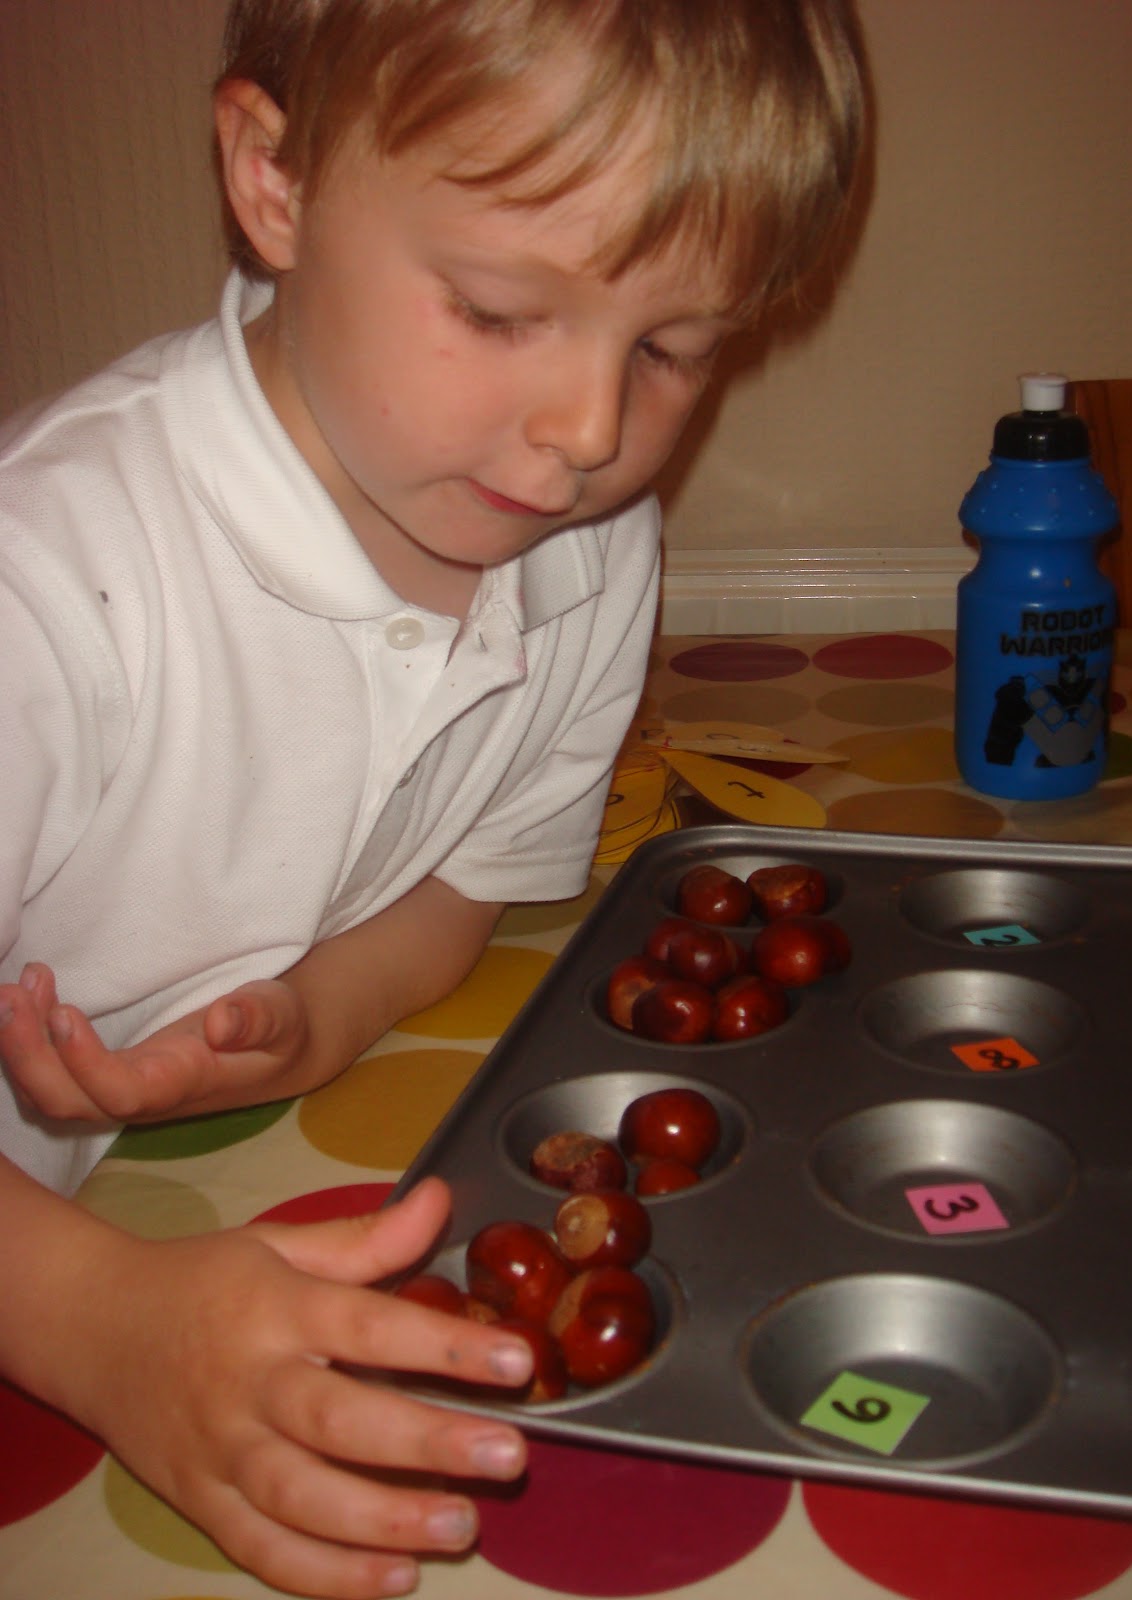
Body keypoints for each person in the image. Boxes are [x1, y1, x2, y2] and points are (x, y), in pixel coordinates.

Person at [0, 0, 866, 1594]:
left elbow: (468, 885)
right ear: (274, 181)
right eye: (497, 309)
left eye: (673, 349)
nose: (589, 433)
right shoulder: (50, 580)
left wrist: (315, 1015)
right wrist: (92, 1318)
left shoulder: (588, 549)